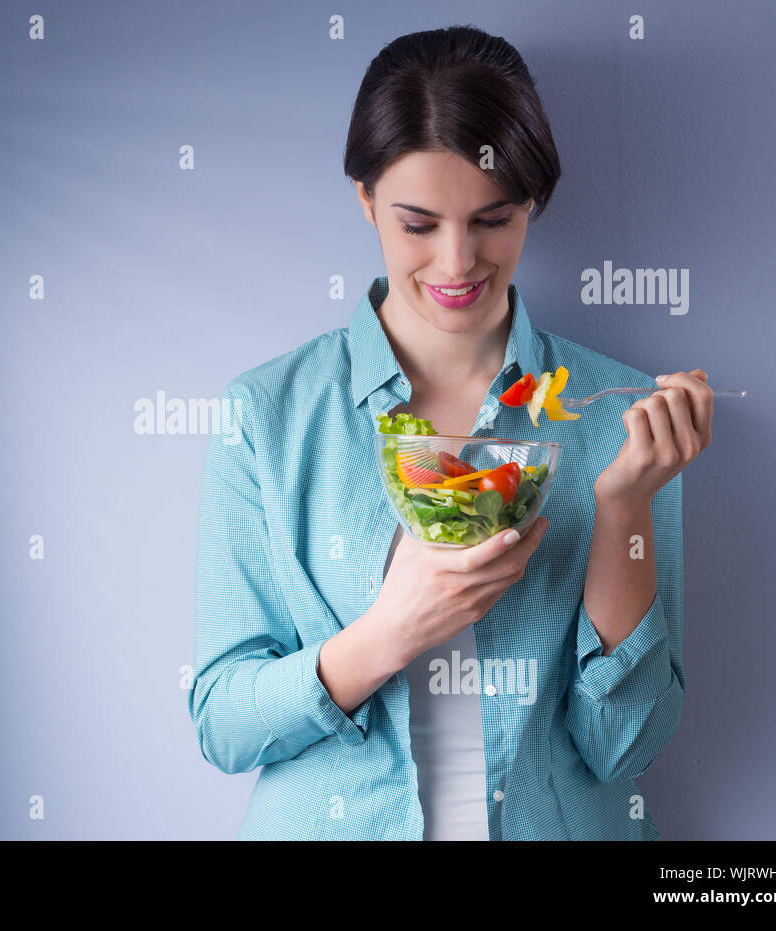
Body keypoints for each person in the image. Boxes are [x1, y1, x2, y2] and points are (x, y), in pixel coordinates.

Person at [188, 24, 714, 840]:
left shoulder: (623, 416)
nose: (458, 262)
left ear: (532, 202)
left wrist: (623, 512)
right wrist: (389, 633)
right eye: (418, 224)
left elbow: (625, 748)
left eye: (492, 218)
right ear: (365, 201)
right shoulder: (268, 413)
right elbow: (223, 721)